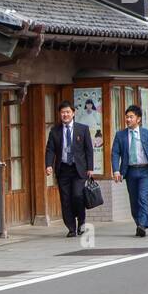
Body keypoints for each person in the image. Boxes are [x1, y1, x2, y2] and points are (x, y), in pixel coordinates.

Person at [111, 105, 148, 238]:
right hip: (130, 171)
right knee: (134, 201)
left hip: (146, 171)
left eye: (131, 117)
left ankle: (143, 225)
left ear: (138, 119)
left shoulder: (147, 134)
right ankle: (139, 223)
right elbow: (115, 153)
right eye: (127, 117)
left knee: (142, 197)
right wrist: (116, 170)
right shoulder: (120, 135)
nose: (128, 119)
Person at [45, 100, 95, 237]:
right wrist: (49, 165)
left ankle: (82, 221)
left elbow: (88, 149)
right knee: (66, 199)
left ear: (73, 113)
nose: (65, 115)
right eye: (62, 112)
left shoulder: (82, 129)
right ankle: (71, 227)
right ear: (59, 114)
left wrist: (90, 167)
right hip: (63, 170)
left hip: (79, 169)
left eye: (68, 112)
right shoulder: (55, 131)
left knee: (78, 196)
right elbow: (50, 149)